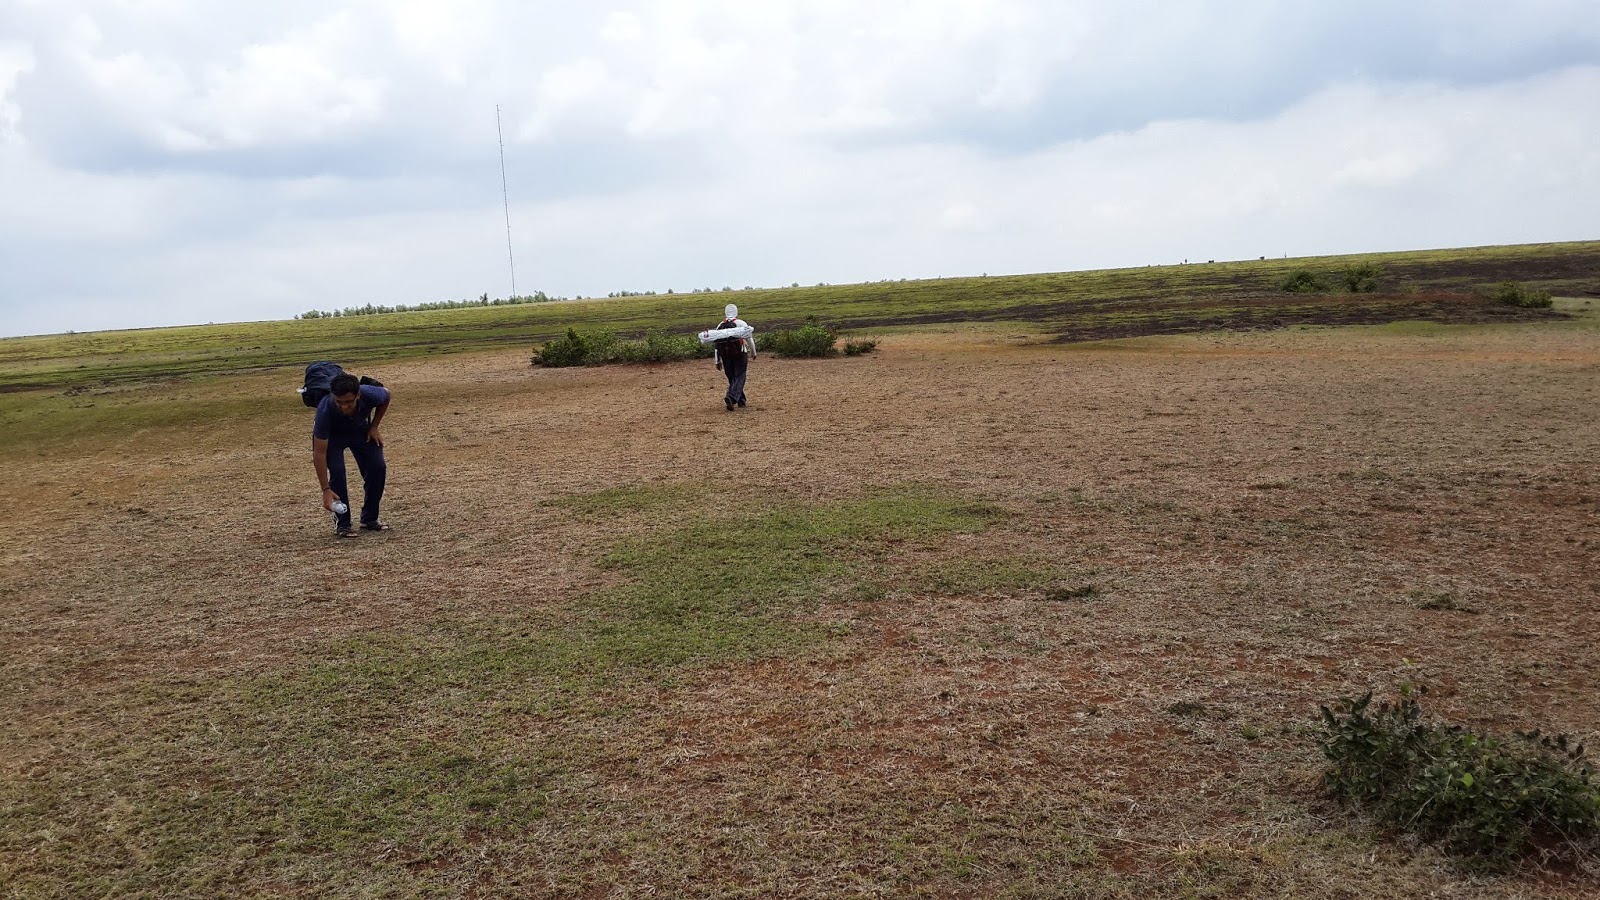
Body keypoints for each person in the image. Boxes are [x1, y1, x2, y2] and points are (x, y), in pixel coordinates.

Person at [311, 372, 390, 537]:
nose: (344, 407)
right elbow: (319, 453)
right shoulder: (325, 410)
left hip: (359, 431)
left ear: (358, 395)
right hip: (333, 437)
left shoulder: (370, 393)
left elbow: (386, 396)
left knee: (377, 467)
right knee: (337, 472)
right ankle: (343, 524)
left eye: (349, 402)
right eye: (339, 402)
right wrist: (325, 489)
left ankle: (370, 518)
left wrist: (374, 426)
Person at [711, 303, 756, 411]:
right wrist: (753, 352)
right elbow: (749, 338)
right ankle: (732, 397)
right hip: (740, 353)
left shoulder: (720, 325)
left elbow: (717, 345)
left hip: (725, 355)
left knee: (732, 377)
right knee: (740, 376)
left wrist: (717, 360)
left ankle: (741, 401)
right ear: (736, 312)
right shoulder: (741, 323)